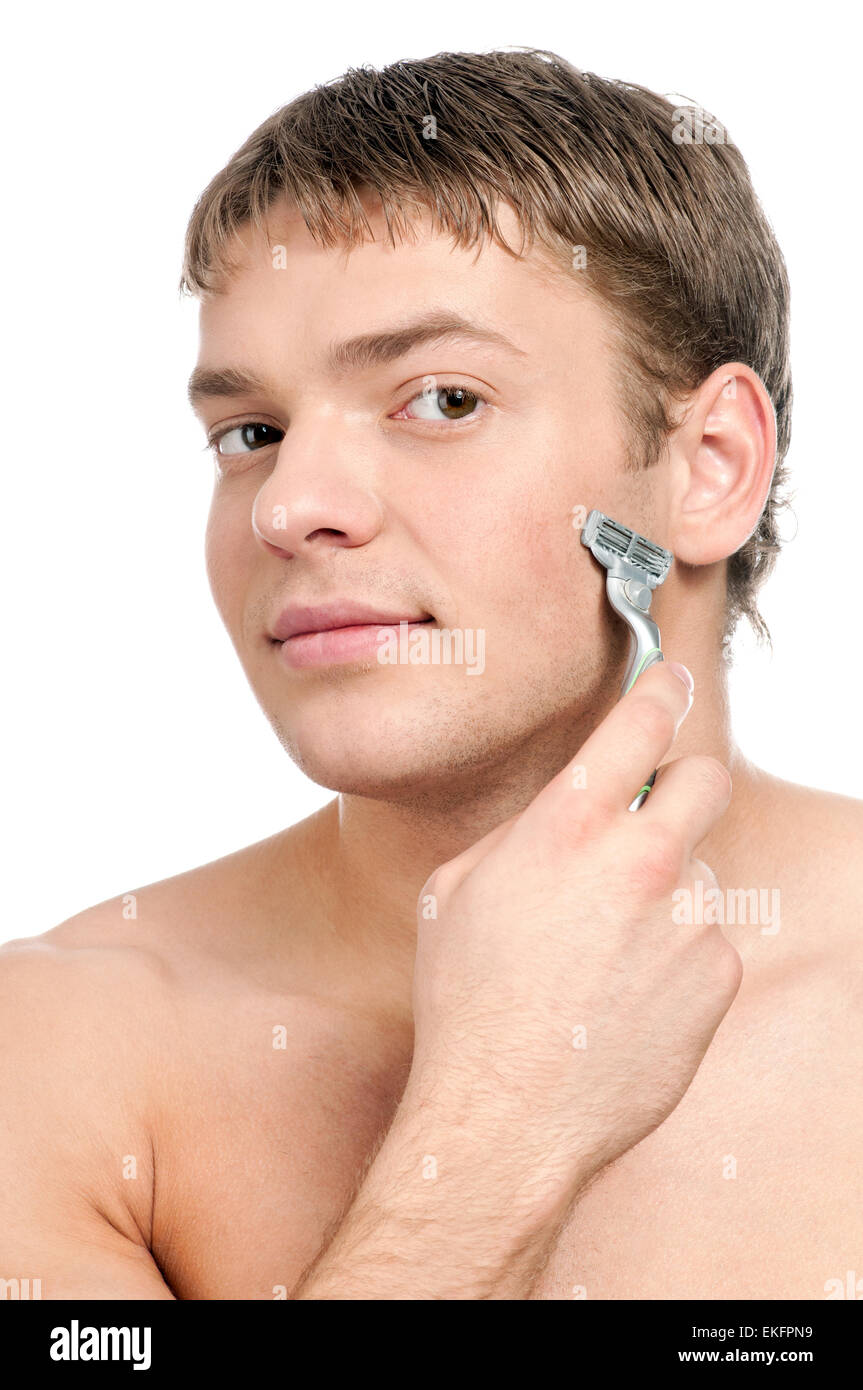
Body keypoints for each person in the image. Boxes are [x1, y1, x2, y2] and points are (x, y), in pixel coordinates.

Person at [2, 48, 860, 1301]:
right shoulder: (52, 1057)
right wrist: (493, 1133)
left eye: (441, 399)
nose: (289, 507)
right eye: (251, 433)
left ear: (708, 465)